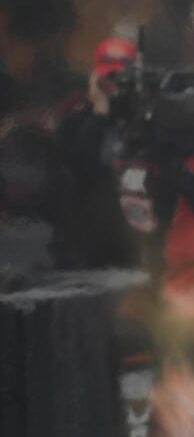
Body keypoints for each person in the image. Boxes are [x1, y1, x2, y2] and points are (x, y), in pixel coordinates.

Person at [53, 37, 139, 267]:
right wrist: (100, 113)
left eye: (123, 78)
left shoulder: (144, 123)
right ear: (98, 78)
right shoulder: (75, 123)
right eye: (111, 77)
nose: (117, 84)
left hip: (135, 243)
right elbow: (78, 170)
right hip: (86, 246)